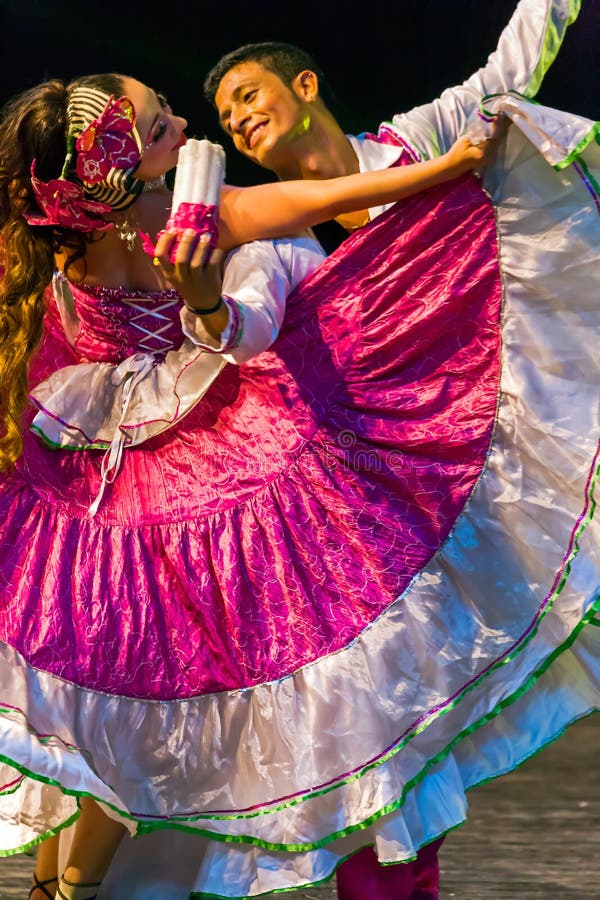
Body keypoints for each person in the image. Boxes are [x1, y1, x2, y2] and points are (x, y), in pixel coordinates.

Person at [0, 71, 502, 900]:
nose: (187, 125)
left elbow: (314, 200)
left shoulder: (70, 240)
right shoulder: (197, 217)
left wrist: (440, 169)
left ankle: (65, 882)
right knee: (147, 700)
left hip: (106, 481)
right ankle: (71, 882)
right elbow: (317, 197)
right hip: (169, 479)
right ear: (122, 168)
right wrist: (443, 170)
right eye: (164, 125)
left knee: (117, 694)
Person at [201, 2, 598, 896]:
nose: (238, 118)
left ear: (305, 88)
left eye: (248, 95)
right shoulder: (270, 235)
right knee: (371, 713)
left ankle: (405, 877)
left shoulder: (416, 143)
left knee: (418, 711)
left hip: (461, 462)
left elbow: (512, 67)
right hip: (353, 507)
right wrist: (206, 304)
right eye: (226, 118)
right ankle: (388, 883)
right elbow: (245, 326)